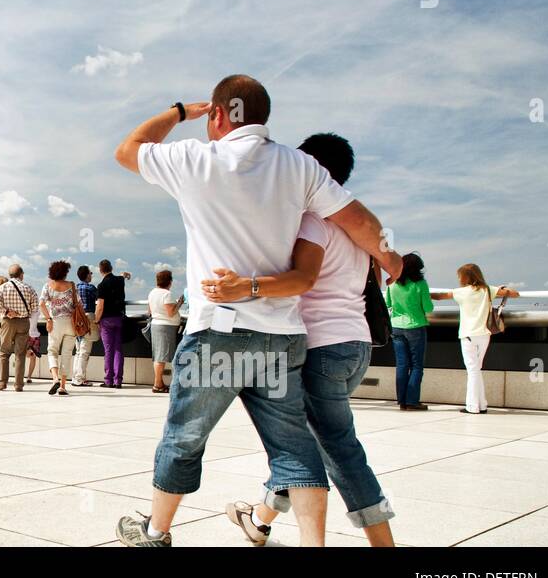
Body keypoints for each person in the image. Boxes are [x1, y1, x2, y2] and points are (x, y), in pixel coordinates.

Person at [111, 76, 403, 547]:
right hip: (282, 338)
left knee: (185, 436)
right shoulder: (300, 167)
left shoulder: (194, 159)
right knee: (296, 450)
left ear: (219, 114)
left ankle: (156, 531)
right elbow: (362, 223)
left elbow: (128, 149)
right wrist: (392, 259)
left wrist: (180, 111)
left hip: (218, 333)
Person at [204, 133, 395, 547]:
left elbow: (302, 280)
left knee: (337, 449)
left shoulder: (312, 219)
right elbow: (374, 280)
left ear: (311, 168)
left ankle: (384, 545)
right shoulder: (358, 225)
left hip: (321, 347)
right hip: (356, 345)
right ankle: (258, 517)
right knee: (304, 441)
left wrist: (246, 287)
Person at [431, 265, 518, 414]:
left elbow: (439, 296)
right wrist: (500, 288)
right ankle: (482, 404)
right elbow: (515, 294)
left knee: (472, 370)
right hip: (484, 335)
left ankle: (472, 406)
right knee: (476, 369)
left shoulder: (461, 292)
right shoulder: (488, 290)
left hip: (468, 334)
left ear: (465, 277)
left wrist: (422, 293)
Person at [387, 253, 432, 410]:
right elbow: (428, 308)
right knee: (416, 366)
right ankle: (412, 401)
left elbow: (388, 303)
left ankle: (402, 401)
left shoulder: (392, 284)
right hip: (415, 327)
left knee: (401, 365)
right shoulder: (420, 284)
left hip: (396, 327)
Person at [0, 264, 38, 392]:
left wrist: (6, 312)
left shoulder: (3, 287)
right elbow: (35, 308)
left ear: (10, 275)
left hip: (8, 323)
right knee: (20, 354)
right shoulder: (29, 288)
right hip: (23, 322)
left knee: (4, 352)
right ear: (21, 274)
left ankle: (2, 383)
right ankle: (18, 385)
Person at [40, 260, 81, 396]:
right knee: (67, 354)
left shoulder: (48, 286)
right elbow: (79, 304)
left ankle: (55, 379)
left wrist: (48, 319)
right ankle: (63, 386)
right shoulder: (72, 286)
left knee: (52, 351)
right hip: (70, 323)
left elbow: (41, 304)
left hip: (55, 323)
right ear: (65, 272)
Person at [146, 270, 183, 394]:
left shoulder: (152, 293)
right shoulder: (167, 294)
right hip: (165, 327)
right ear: (170, 281)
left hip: (156, 325)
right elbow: (171, 312)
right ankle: (157, 384)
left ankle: (159, 383)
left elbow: (150, 311)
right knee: (161, 357)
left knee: (158, 356)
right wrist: (179, 303)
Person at [94, 260, 128, 387]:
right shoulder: (120, 280)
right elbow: (122, 276)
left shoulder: (101, 285)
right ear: (111, 268)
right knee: (118, 349)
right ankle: (118, 380)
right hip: (119, 318)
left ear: (100, 270)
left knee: (109, 350)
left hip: (106, 320)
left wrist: (96, 320)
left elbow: (100, 306)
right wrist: (125, 275)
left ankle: (108, 380)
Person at [72, 265, 99, 386]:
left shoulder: (75, 288)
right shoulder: (91, 288)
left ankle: (75, 377)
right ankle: (79, 378)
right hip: (88, 318)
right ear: (87, 275)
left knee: (78, 350)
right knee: (85, 350)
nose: (92, 275)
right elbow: (100, 299)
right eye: (91, 273)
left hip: (77, 319)